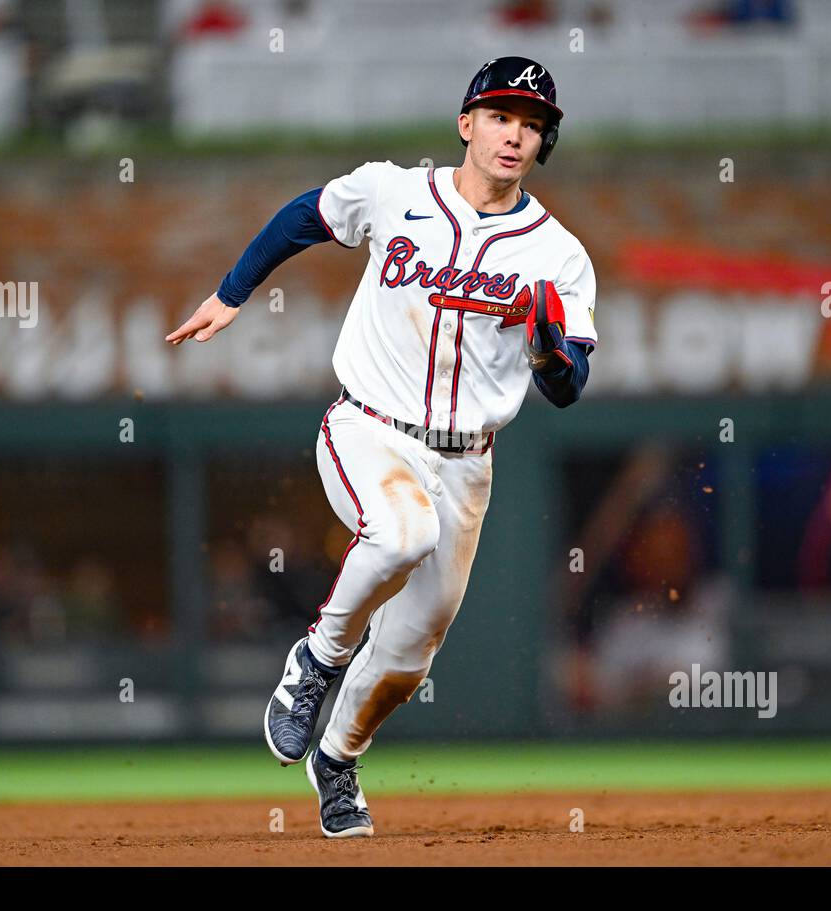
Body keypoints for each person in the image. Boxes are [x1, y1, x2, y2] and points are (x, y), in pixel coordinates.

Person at [167, 56, 598, 837]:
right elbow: (306, 214)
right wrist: (232, 294)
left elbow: (569, 385)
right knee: (402, 532)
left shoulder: (557, 254)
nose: (515, 135)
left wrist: (548, 353)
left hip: (467, 462)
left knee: (407, 658)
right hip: (368, 426)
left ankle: (336, 764)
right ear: (466, 122)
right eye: (501, 116)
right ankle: (319, 657)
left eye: (533, 126)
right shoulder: (395, 191)